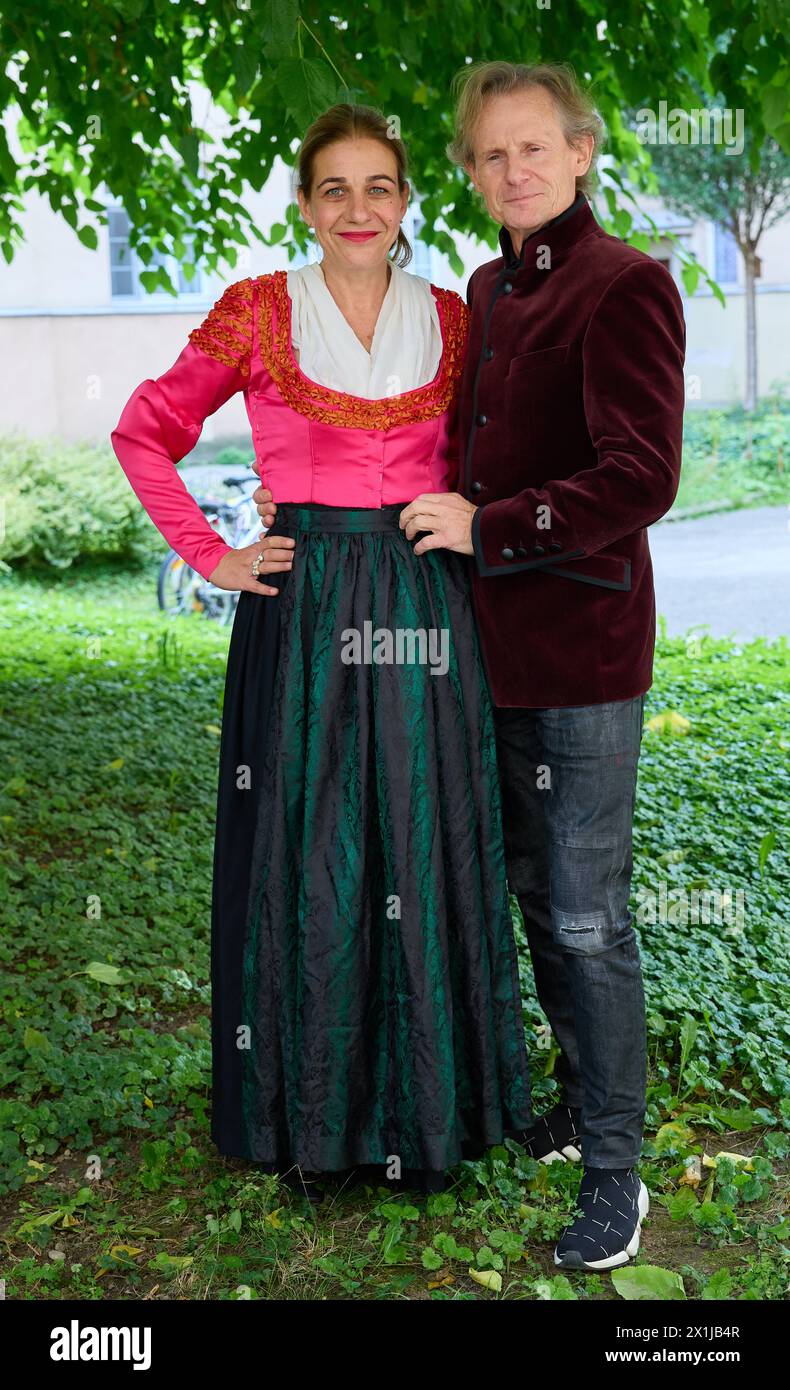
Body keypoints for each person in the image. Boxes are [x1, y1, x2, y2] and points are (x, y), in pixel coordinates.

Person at [110, 103, 532, 1203]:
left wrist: (477, 513)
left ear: (404, 204)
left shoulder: (453, 313)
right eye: (334, 188)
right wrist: (211, 551)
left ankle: (431, 1107)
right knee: (313, 838)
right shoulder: (257, 311)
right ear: (305, 204)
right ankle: (311, 1113)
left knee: (418, 831)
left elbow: (507, 442)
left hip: (423, 599)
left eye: (378, 187)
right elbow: (143, 429)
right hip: (300, 610)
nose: (357, 208)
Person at [397, 61, 687, 1268]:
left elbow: (640, 478)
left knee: (581, 915)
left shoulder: (625, 285)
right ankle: (576, 1106)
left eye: (533, 149)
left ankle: (617, 1177)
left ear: (579, 153)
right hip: (491, 652)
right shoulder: (489, 287)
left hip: (580, 652)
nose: (510, 172)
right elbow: (469, 444)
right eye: (487, 156)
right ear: (470, 174)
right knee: (532, 893)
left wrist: (492, 525)